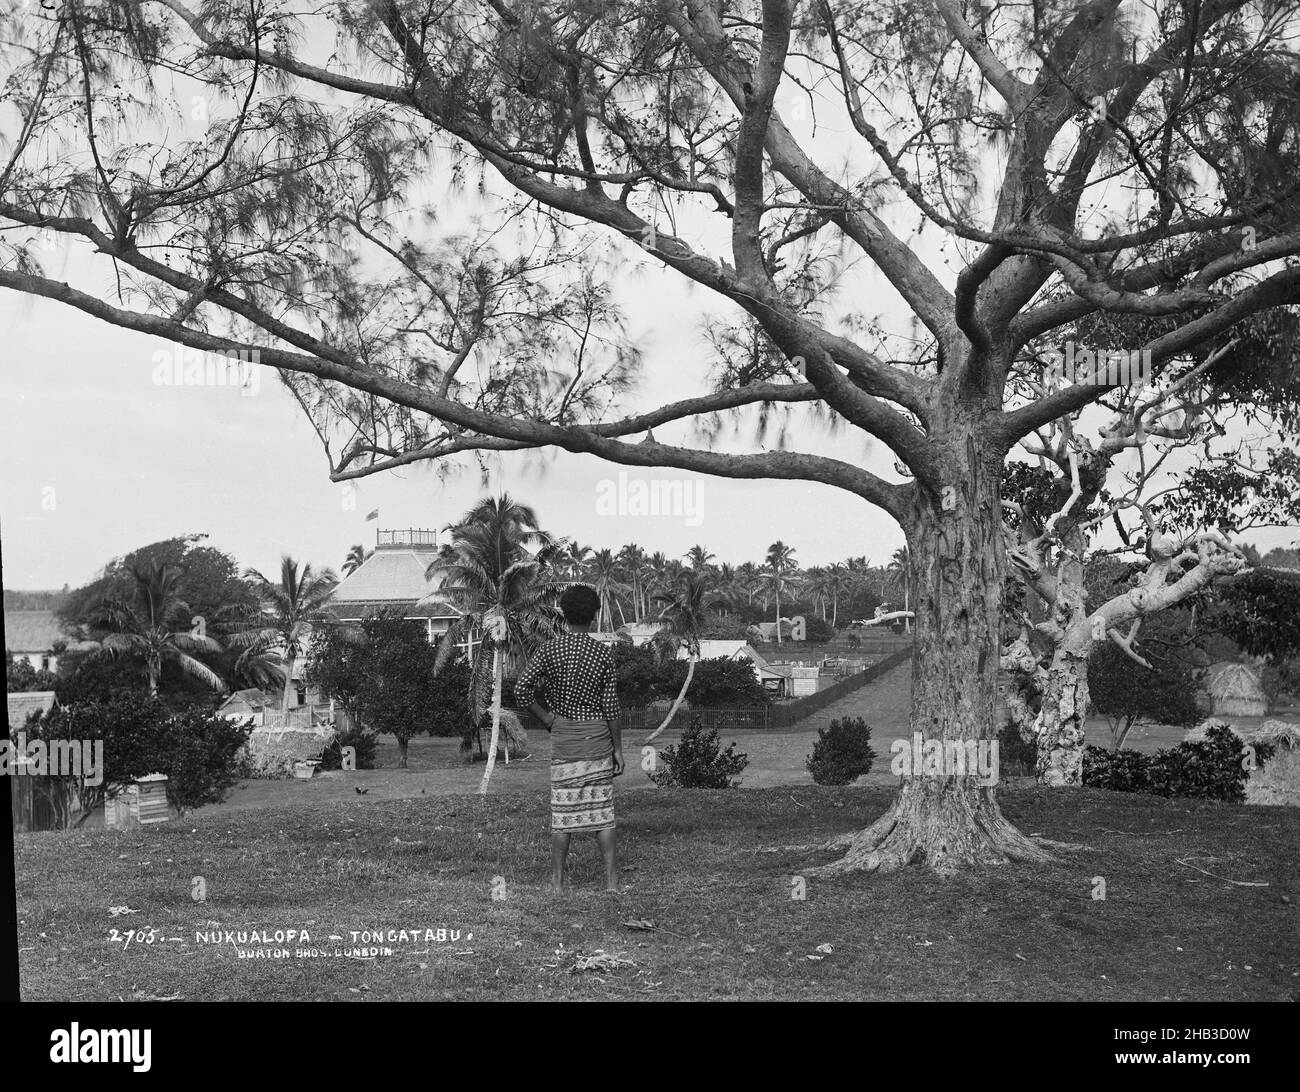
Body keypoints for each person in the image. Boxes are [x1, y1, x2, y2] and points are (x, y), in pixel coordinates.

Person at [514, 584, 624, 893]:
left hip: (564, 739)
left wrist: (548, 717)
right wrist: (618, 749)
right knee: (602, 813)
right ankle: (612, 882)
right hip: (598, 739)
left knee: (563, 814)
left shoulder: (550, 650)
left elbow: (522, 690)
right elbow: (612, 707)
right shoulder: (603, 653)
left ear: (563, 614)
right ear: (593, 616)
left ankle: (558, 882)